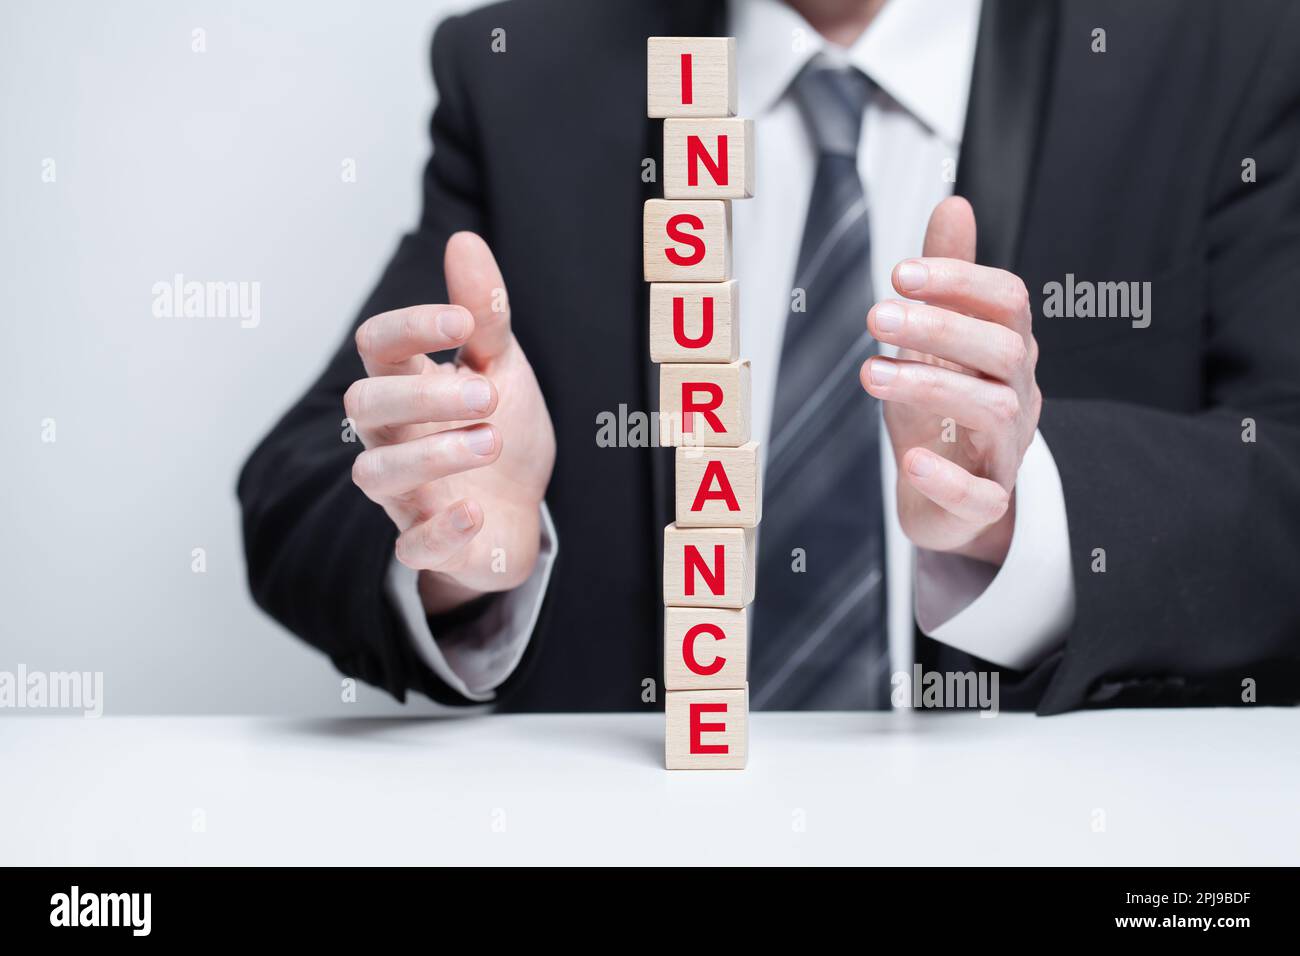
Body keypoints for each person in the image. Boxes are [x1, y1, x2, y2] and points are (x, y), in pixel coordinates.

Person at [238, 0, 1300, 713]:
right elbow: (299, 487)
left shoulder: (1227, 49)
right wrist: (452, 536)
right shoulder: (524, 71)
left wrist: (1029, 511)